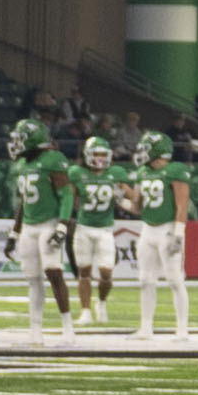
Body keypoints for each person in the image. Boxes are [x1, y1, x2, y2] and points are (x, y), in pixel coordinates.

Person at [8, 120, 76, 334]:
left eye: (21, 139)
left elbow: (66, 195)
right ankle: (35, 329)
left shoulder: (52, 160)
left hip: (50, 222)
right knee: (33, 278)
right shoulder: (21, 164)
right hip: (29, 226)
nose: (16, 143)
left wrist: (62, 226)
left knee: (54, 272)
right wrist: (14, 233)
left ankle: (68, 327)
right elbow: (23, 202)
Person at [127, 128, 193, 339]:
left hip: (167, 230)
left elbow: (182, 205)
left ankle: (182, 329)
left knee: (175, 280)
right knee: (146, 280)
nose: (142, 152)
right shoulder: (143, 172)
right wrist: (120, 197)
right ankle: (146, 328)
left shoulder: (175, 170)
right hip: (148, 229)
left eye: (146, 148)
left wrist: (178, 233)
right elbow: (137, 208)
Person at [68, 135, 125, 331]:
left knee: (106, 273)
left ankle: (101, 302)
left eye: (103, 154)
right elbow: (70, 199)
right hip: (83, 228)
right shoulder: (77, 173)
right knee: (84, 271)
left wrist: (123, 198)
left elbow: (130, 196)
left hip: (105, 229)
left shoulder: (115, 173)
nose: (100, 158)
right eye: (96, 154)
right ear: (87, 155)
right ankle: (85, 311)